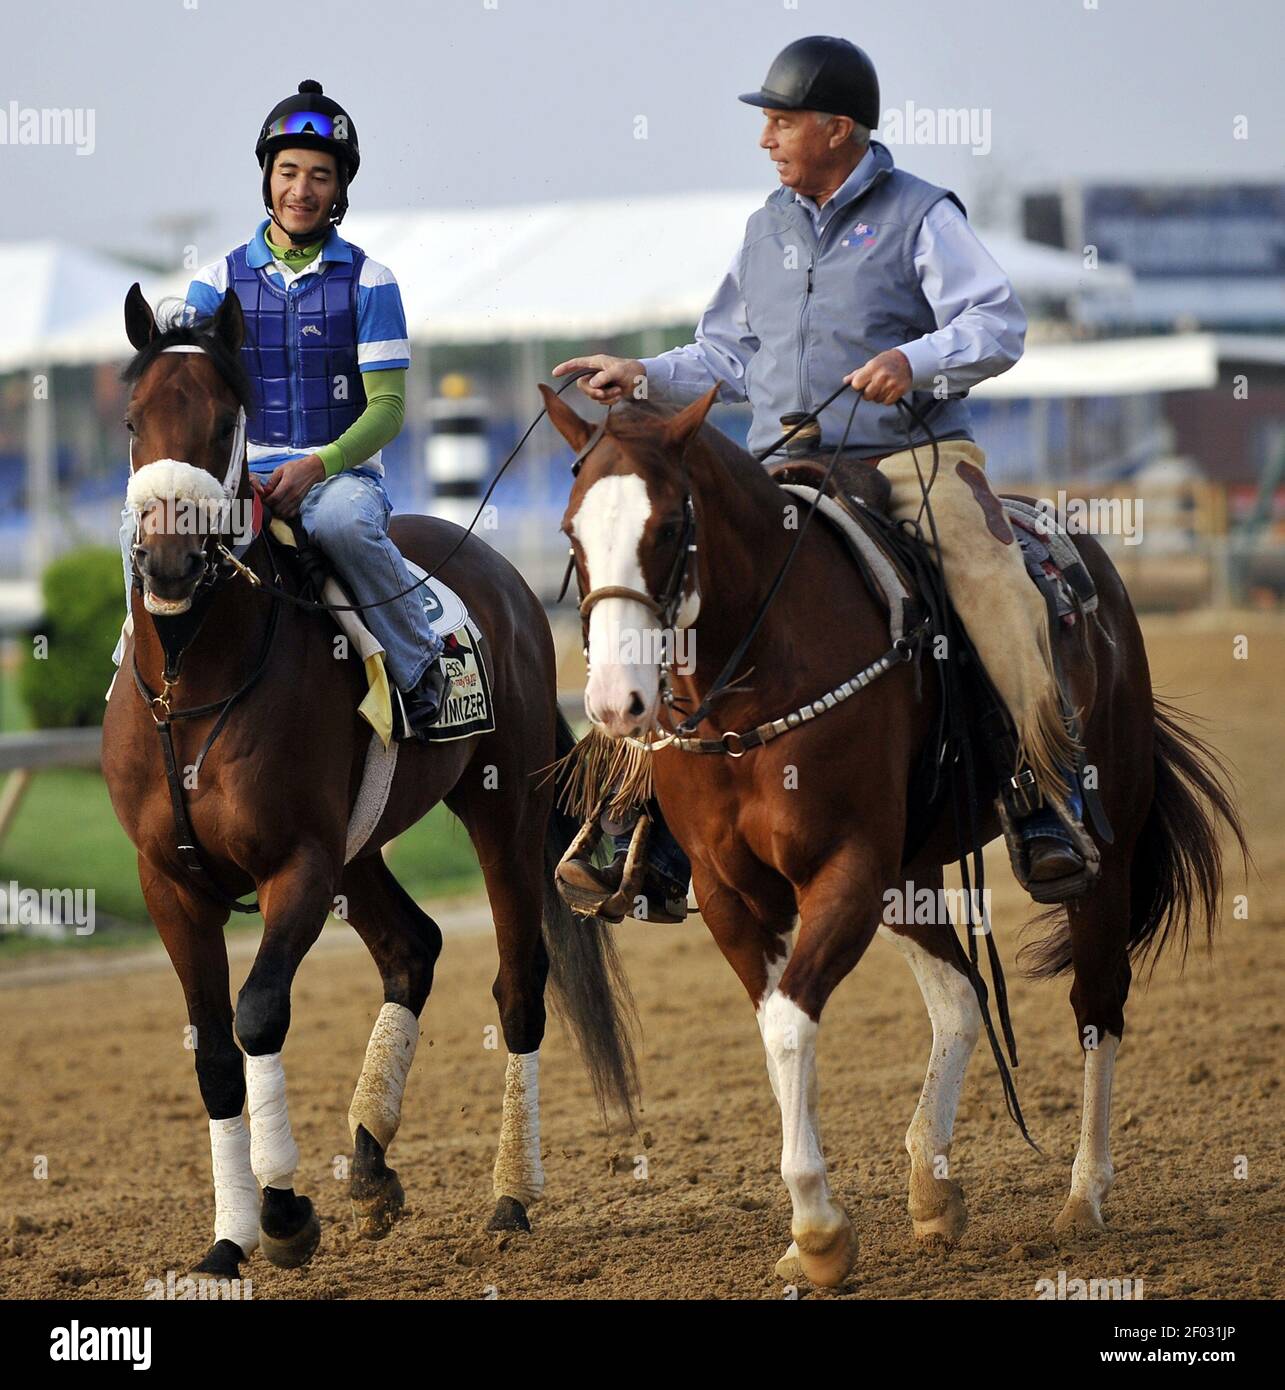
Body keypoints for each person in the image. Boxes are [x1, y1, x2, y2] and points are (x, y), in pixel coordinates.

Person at [554, 36, 1091, 915]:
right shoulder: (763, 227)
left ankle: (1042, 793)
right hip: (779, 463)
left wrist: (914, 361)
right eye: (765, 122)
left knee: (991, 577)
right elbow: (725, 352)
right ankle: (632, 814)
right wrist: (641, 374)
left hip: (911, 458)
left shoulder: (922, 214)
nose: (765, 137)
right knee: (657, 582)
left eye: (781, 120)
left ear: (838, 129)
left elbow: (997, 323)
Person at [114, 79, 446, 736]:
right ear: (267, 179)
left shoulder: (372, 281)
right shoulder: (213, 282)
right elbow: (185, 393)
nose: (302, 188)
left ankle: (419, 663)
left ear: (339, 191)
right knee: (134, 530)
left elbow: (386, 410)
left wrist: (317, 469)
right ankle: (130, 670)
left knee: (347, 526)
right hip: (231, 479)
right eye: (288, 171)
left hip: (338, 480)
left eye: (319, 176)